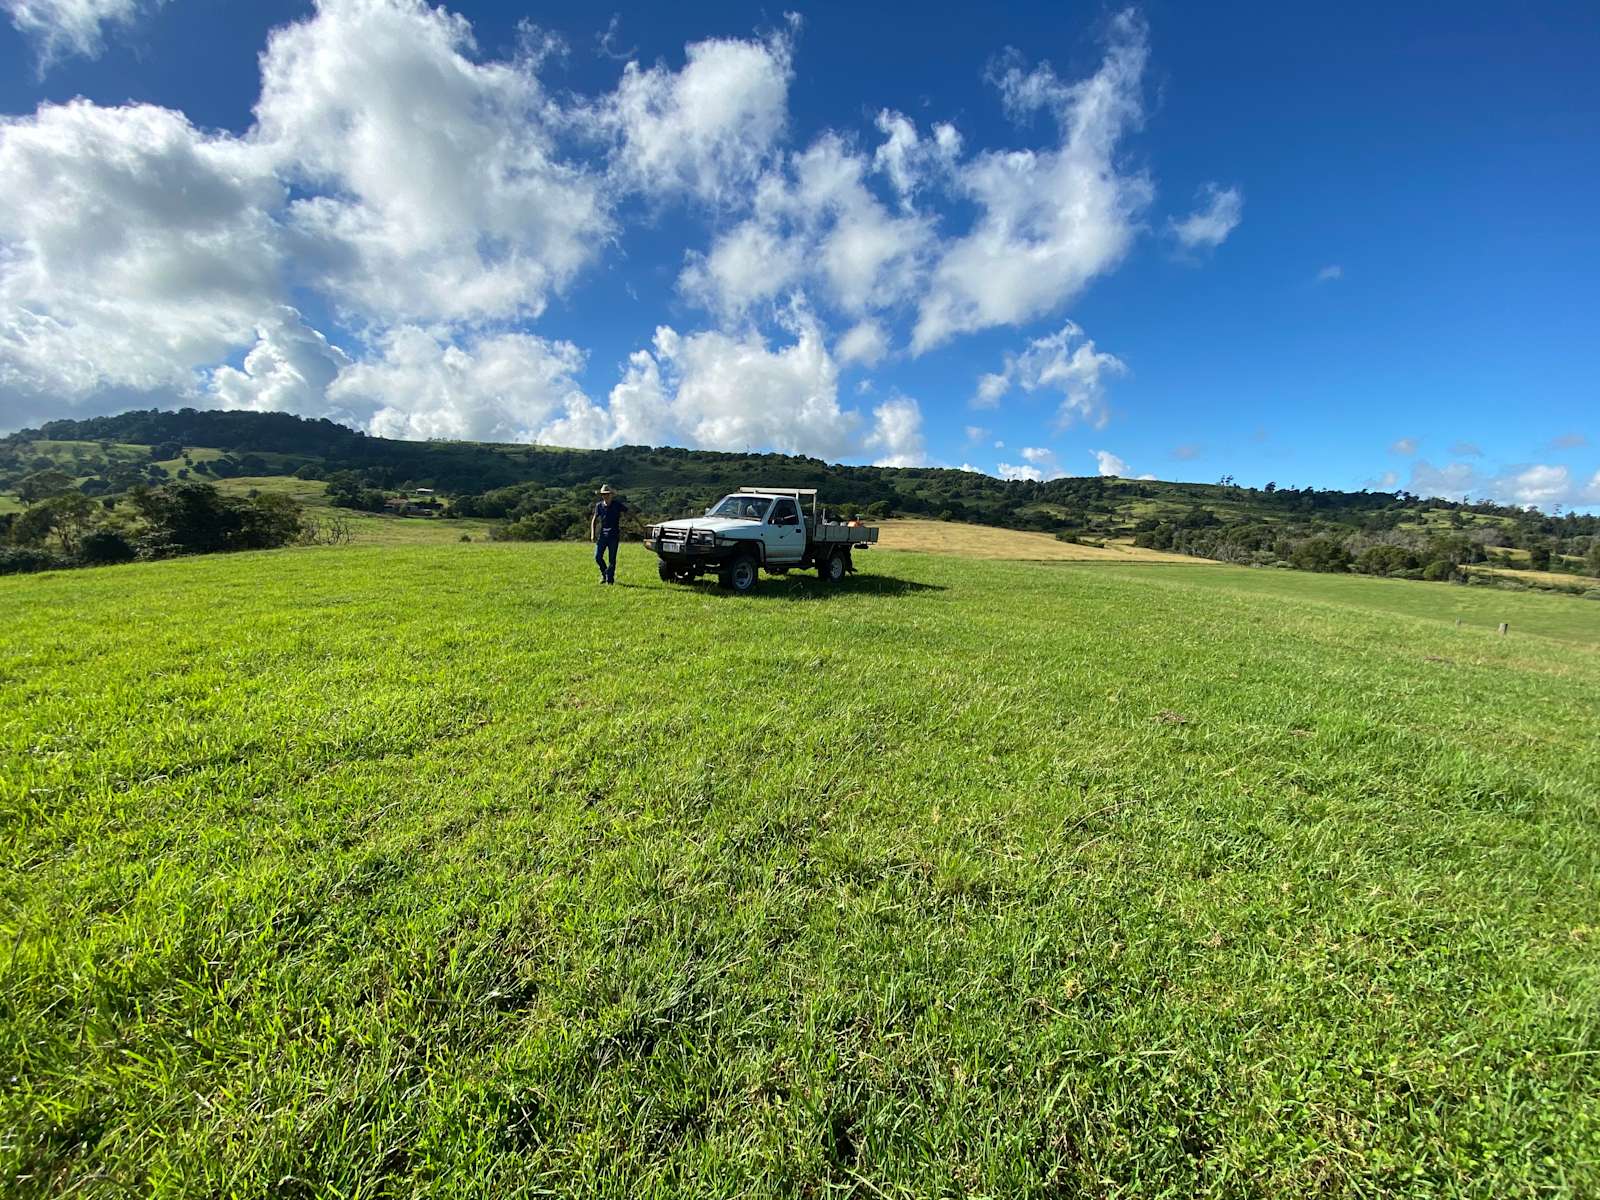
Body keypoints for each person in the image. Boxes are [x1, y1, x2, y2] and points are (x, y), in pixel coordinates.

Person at [590, 484, 628, 584]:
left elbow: (629, 512)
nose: (605, 496)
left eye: (607, 494)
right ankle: (604, 574)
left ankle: (610, 580)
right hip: (602, 536)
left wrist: (641, 526)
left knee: (612, 559)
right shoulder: (599, 506)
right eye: (603, 494)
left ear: (611, 495)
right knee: (598, 557)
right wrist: (593, 534)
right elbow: (594, 519)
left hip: (613, 536)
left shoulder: (617, 505)